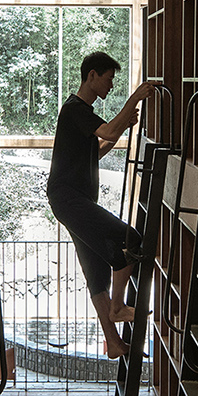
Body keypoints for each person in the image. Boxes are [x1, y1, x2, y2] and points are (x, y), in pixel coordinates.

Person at [46, 51, 156, 360]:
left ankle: (113, 343)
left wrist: (122, 126)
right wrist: (134, 98)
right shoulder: (75, 109)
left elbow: (96, 151)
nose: (110, 86)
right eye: (108, 80)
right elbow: (107, 131)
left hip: (70, 200)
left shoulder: (78, 113)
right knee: (130, 240)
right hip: (70, 199)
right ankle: (118, 307)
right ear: (91, 76)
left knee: (96, 274)